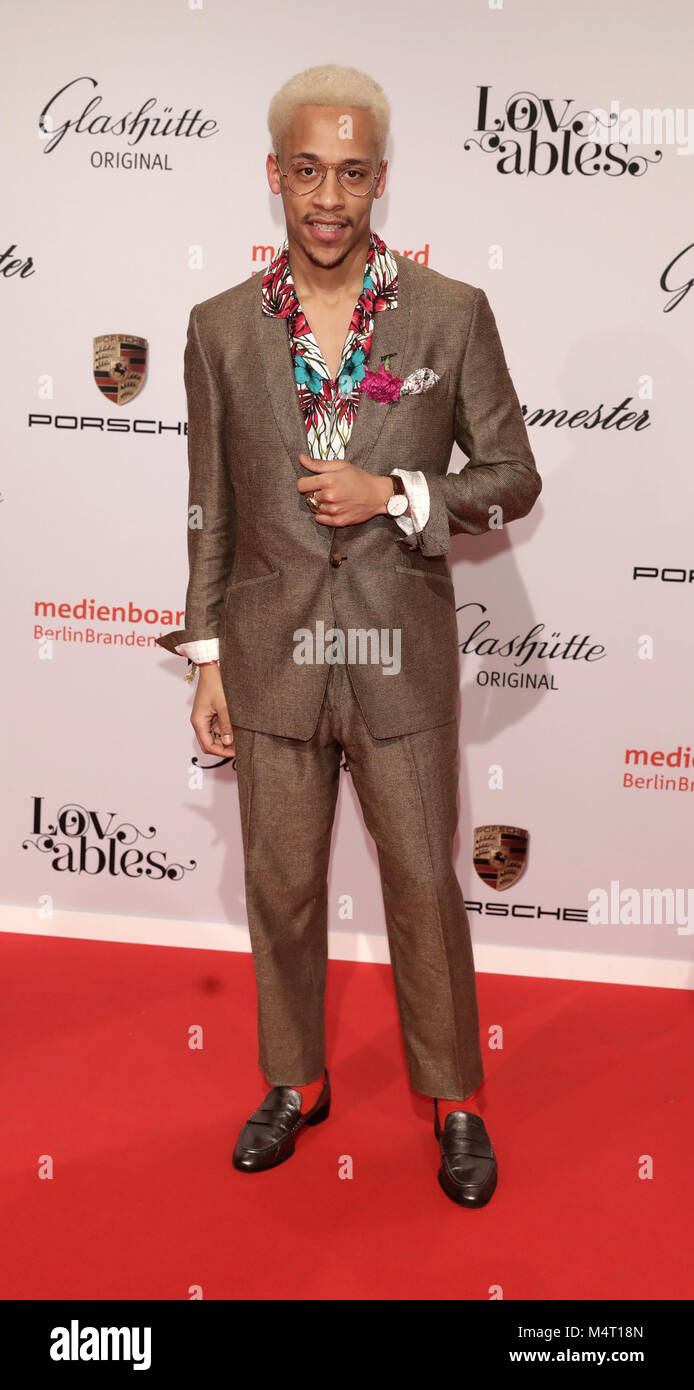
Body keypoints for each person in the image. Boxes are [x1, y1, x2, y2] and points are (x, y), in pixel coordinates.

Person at [156, 64, 542, 1208]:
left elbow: (511, 477)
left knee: (423, 886)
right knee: (280, 886)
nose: (329, 198)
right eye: (308, 171)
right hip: (269, 654)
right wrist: (208, 657)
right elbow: (210, 507)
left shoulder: (449, 312)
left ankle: (454, 1101)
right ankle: (295, 1080)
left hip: (398, 655)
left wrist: (399, 493)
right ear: (274, 174)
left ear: (381, 177)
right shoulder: (218, 327)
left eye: (353, 173)